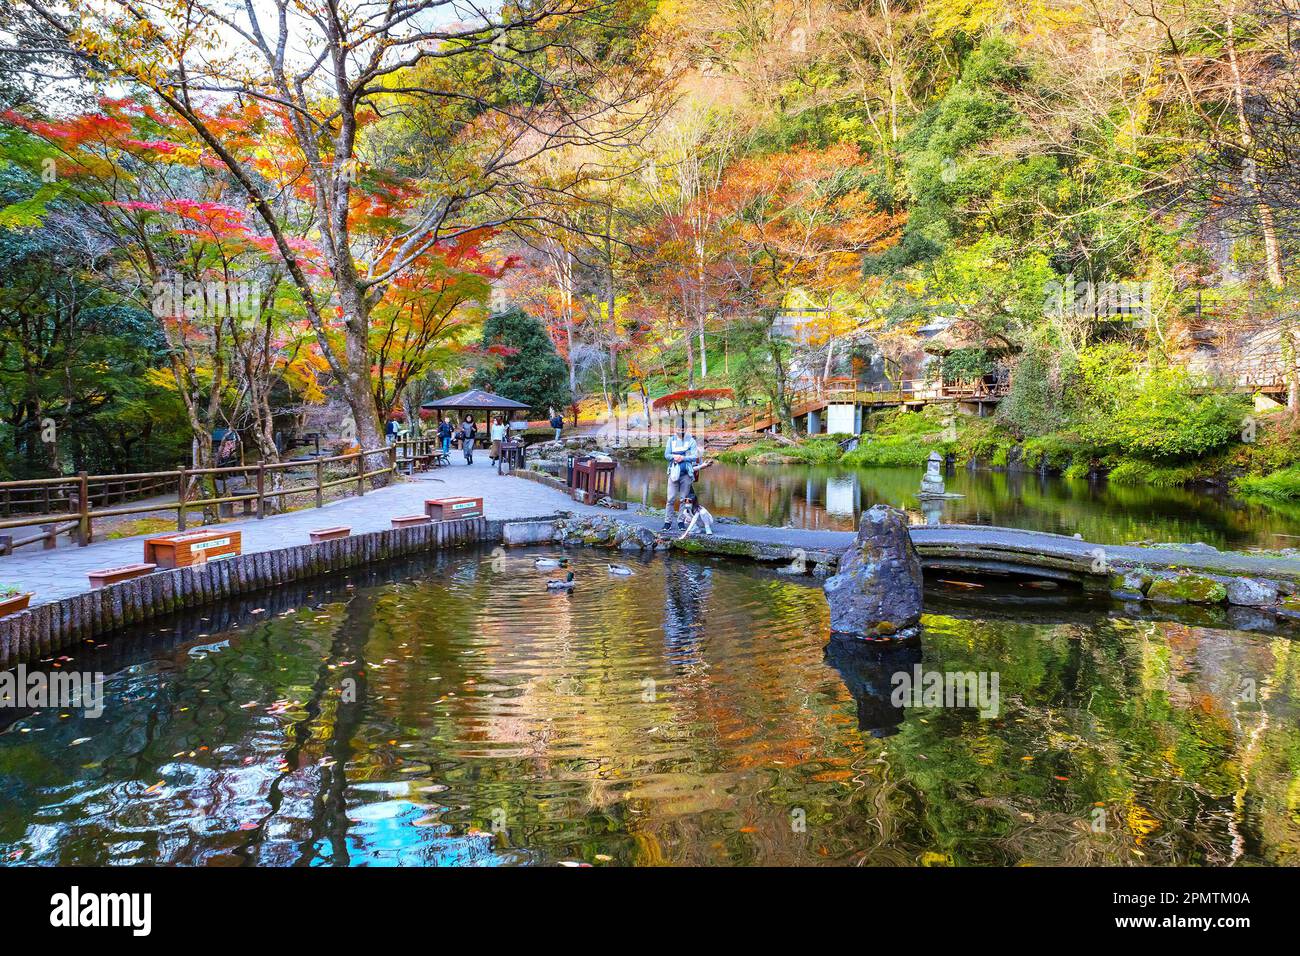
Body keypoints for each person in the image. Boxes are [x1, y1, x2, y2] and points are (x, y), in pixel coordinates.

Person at [662, 419, 700, 533]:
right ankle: (667, 522)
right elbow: (666, 455)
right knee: (670, 498)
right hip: (674, 473)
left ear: (686, 429)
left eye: (682, 429)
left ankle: (681, 521)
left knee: (684, 499)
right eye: (678, 429)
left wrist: (684, 458)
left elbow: (694, 456)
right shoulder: (671, 440)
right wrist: (675, 457)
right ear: (675, 429)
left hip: (686, 474)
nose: (680, 431)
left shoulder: (691, 441)